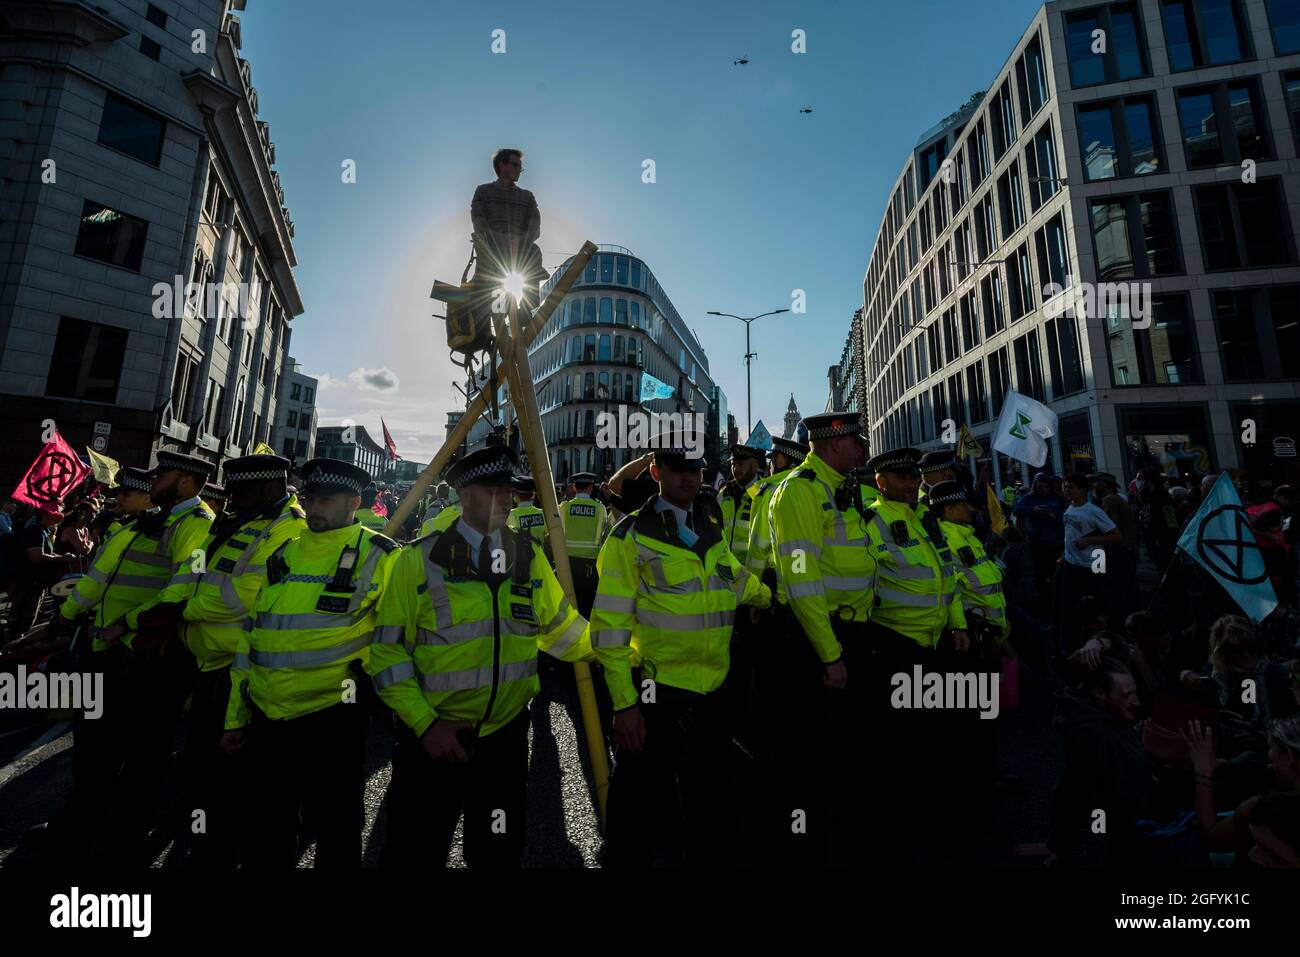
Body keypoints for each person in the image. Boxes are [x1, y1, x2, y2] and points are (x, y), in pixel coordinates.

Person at [369, 446, 591, 868]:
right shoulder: (417, 560)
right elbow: (385, 653)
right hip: (431, 744)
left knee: (497, 854)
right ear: (464, 495)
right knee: (412, 854)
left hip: (504, 744)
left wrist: (626, 649)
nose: (506, 499)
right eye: (494, 490)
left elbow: (561, 629)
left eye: (509, 490)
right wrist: (426, 724)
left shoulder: (528, 556)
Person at [591, 439, 770, 867]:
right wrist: (624, 705)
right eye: (676, 468)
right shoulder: (629, 536)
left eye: (696, 468)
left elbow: (732, 575)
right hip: (656, 693)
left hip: (712, 691)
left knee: (708, 809)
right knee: (635, 810)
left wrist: (770, 598)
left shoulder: (708, 525)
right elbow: (609, 629)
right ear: (656, 472)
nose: (689, 476)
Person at [220, 458, 399, 868]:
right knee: (266, 832)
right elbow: (253, 635)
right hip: (267, 717)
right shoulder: (284, 554)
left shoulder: (382, 555)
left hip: (332, 718)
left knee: (337, 832)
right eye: (310, 497)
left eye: (326, 499)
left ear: (354, 501)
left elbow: (397, 637)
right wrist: (235, 717)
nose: (314, 507)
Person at [139, 454, 306, 867]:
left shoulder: (289, 526)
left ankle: (217, 852)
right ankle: (203, 844)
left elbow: (248, 593)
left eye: (240, 491)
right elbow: (198, 573)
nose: (230, 500)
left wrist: (183, 612)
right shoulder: (245, 517)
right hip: (203, 659)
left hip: (237, 670)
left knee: (228, 780)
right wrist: (172, 620)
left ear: (269, 487)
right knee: (201, 771)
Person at [1053, 474, 1123, 656]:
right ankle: (1071, 644)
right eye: (1064, 487)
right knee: (1069, 605)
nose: (1066, 490)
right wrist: (1063, 556)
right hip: (1071, 563)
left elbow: (1116, 535)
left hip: (1094, 562)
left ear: (1082, 490)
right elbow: (1069, 536)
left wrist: (1089, 540)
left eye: (1070, 487)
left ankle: (1103, 641)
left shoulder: (1094, 511)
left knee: (1097, 603)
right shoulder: (1069, 509)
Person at [470, 148, 547, 310]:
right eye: (515, 165)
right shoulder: (483, 192)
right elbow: (479, 222)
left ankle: (528, 310)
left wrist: (520, 241)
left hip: (521, 250)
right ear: (502, 166)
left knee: (534, 252)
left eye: (520, 167)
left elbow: (535, 226)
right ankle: (500, 307)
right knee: (496, 298)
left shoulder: (527, 197)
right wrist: (501, 240)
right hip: (492, 249)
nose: (519, 170)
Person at [1012, 473, 1065, 614]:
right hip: (1036, 543)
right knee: (1040, 575)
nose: (1042, 489)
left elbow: (1066, 517)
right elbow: (1016, 509)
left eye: (1045, 486)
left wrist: (1053, 516)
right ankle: (1044, 604)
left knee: (1056, 574)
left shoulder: (1057, 499)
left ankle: (1057, 603)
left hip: (1055, 543)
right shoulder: (1029, 498)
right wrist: (1032, 511)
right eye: (1039, 486)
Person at [559, 472, 606, 617]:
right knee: (588, 607)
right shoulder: (599, 508)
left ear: (574, 487)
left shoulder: (565, 507)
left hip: (568, 563)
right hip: (590, 566)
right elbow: (605, 530)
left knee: (569, 606)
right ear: (591, 488)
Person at [717, 444, 766, 567]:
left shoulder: (765, 494)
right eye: (733, 464)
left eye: (740, 464)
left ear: (754, 467)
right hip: (725, 570)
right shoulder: (724, 493)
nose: (735, 469)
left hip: (753, 573)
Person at [506, 474, 546, 546]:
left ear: (515, 494)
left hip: (520, 556)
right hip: (541, 556)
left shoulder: (510, 515)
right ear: (533, 495)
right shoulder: (543, 514)